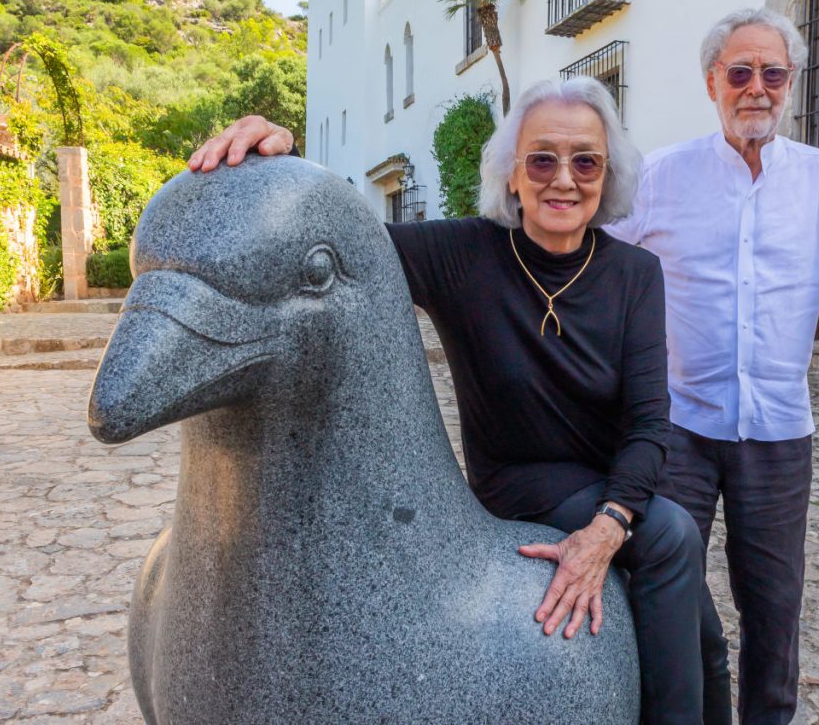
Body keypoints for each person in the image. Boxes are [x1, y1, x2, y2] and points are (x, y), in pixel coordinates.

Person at [188, 77, 723, 724]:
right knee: (670, 533)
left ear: (605, 176)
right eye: (542, 159)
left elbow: (647, 423)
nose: (563, 179)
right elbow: (337, 236)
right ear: (512, 174)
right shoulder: (463, 255)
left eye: (585, 160)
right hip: (523, 481)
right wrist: (279, 157)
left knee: (708, 637)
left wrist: (609, 524)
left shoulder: (636, 274)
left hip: (609, 481)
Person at [605, 8, 819, 725]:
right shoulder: (659, 177)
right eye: (740, 72)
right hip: (678, 426)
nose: (757, 88)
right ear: (712, 80)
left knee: (774, 611)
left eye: (772, 74)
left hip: (779, 433)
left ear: (790, 84)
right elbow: (588, 255)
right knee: (668, 590)